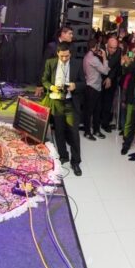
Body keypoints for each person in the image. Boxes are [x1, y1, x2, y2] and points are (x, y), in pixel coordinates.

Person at [41, 42, 85, 175]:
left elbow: (84, 83)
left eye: (67, 56)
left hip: (71, 102)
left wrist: (75, 86)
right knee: (59, 131)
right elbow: (44, 80)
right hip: (56, 102)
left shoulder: (77, 64)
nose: (64, 59)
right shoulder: (51, 63)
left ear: (70, 54)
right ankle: (63, 156)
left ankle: (76, 162)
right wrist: (52, 87)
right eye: (62, 56)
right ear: (57, 54)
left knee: (74, 133)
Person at [82, 38, 109, 141]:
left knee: (96, 110)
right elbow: (105, 71)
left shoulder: (87, 56)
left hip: (93, 86)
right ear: (94, 47)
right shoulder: (93, 59)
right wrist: (105, 57)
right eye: (97, 46)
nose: (99, 48)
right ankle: (87, 132)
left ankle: (95, 130)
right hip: (93, 87)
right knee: (90, 111)